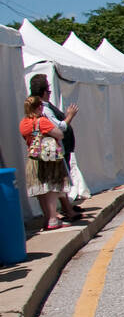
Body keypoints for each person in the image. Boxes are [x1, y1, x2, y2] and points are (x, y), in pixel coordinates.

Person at [28, 74, 84, 219]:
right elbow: (58, 130)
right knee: (55, 184)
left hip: (46, 153)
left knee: (53, 185)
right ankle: (56, 215)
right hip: (50, 152)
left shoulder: (39, 114)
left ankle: (59, 213)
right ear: (44, 92)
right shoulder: (43, 113)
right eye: (48, 91)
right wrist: (70, 116)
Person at [20, 94, 70, 231]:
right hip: (47, 158)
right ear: (38, 107)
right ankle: (53, 218)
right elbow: (59, 134)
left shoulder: (23, 123)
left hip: (33, 158)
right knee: (51, 188)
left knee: (41, 190)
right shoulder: (41, 121)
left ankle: (47, 218)